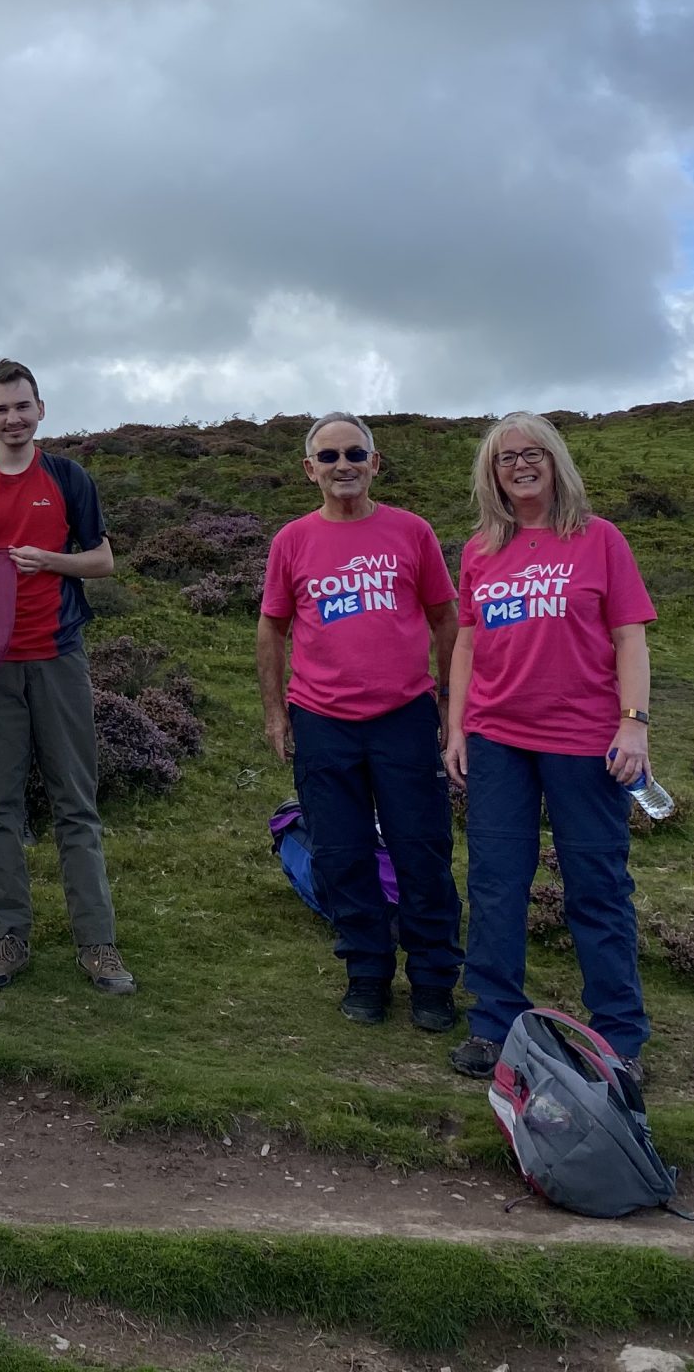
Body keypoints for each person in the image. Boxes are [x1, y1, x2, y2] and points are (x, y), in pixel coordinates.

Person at [443, 412, 658, 1083]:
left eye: (533, 452)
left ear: (556, 461)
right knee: (495, 883)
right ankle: (494, 1025)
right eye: (506, 458)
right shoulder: (480, 550)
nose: (521, 465)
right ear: (492, 474)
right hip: (498, 739)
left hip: (584, 740)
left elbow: (629, 636)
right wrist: (457, 728)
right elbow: (467, 643)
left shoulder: (600, 539)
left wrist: (634, 723)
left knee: (597, 885)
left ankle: (617, 1037)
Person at [257, 413, 463, 1031]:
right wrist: (275, 713)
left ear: (375, 463)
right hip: (322, 722)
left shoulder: (412, 531)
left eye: (354, 454)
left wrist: (449, 701)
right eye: (328, 457)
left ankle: (433, 980)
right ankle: (366, 973)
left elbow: (446, 619)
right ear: (309, 469)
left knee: (421, 850)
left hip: (405, 717)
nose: (342, 465)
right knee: (342, 853)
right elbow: (272, 627)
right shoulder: (292, 540)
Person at [0, 359, 136, 995]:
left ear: (41, 409)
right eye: (0, 409)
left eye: (22, 406)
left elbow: (103, 560)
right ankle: (5, 939)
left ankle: (98, 945)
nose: (13, 419)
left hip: (58, 654)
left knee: (75, 804)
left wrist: (51, 561)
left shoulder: (68, 477)